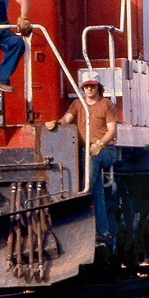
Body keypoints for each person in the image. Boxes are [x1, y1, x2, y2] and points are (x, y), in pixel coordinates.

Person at [45, 71, 118, 246]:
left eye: (92, 86)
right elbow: (66, 120)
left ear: (98, 87)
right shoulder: (78, 104)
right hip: (86, 150)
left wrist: (100, 143)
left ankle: (83, 195)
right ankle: (103, 231)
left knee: (92, 163)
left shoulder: (107, 105)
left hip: (106, 150)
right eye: (86, 86)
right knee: (99, 191)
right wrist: (55, 123)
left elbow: (112, 130)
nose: (89, 89)